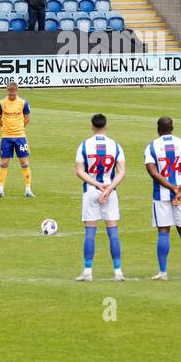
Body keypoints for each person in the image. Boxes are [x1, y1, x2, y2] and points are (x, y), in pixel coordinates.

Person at [145, 116, 181, 280]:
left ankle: (163, 272)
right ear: (172, 128)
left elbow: (153, 172)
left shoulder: (152, 146)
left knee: (163, 231)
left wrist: (172, 188)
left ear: (158, 129)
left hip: (161, 195)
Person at [74, 113, 126, 282]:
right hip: (110, 192)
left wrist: (97, 185)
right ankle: (118, 272)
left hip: (91, 190)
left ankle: (88, 272)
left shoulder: (84, 145)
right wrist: (108, 188)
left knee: (90, 232)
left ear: (92, 126)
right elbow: (122, 171)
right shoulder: (115, 146)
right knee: (113, 232)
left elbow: (80, 171)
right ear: (106, 126)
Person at [0, 80, 34, 198]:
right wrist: (6, 127)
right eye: (10, 94)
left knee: (24, 163)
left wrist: (19, 128)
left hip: (20, 137)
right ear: (7, 91)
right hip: (6, 137)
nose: (12, 96)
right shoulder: (1, 103)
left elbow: (27, 119)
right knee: (4, 163)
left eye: (13, 94)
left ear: (17, 91)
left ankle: (28, 190)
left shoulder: (23, 103)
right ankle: (0, 190)